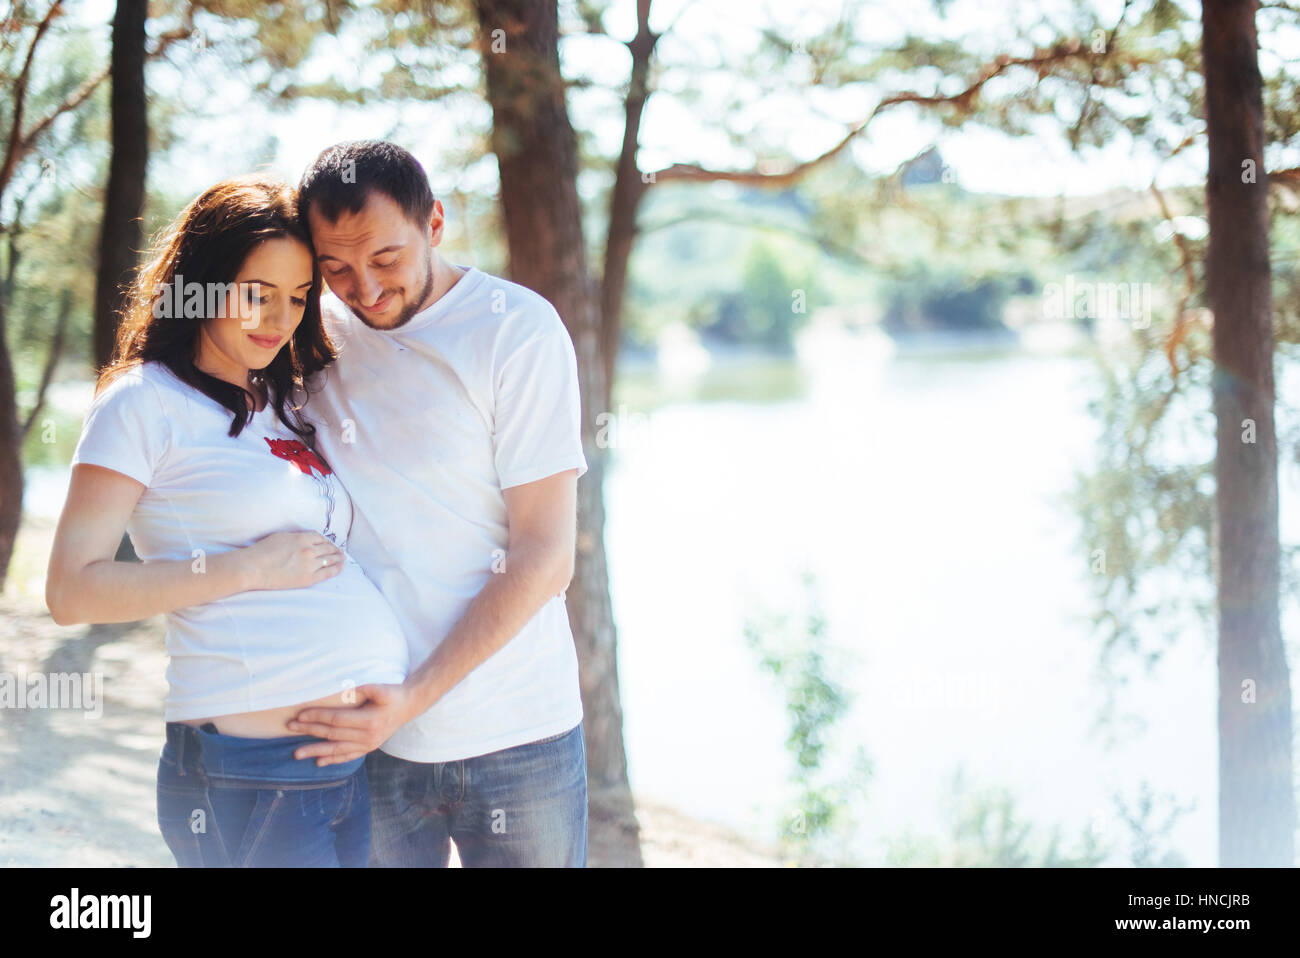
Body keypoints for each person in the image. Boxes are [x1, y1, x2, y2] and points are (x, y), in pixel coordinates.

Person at [44, 173, 410, 867]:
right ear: (203, 282)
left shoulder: (276, 398)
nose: (279, 318)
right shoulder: (142, 403)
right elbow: (70, 591)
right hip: (250, 772)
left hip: (342, 769)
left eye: (298, 298)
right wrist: (245, 570)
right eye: (256, 294)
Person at [283, 140, 590, 867]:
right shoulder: (311, 338)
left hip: (520, 733)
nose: (364, 289)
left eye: (385, 258)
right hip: (372, 737)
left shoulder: (516, 329)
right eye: (336, 268)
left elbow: (544, 556)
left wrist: (416, 695)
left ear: (436, 224)